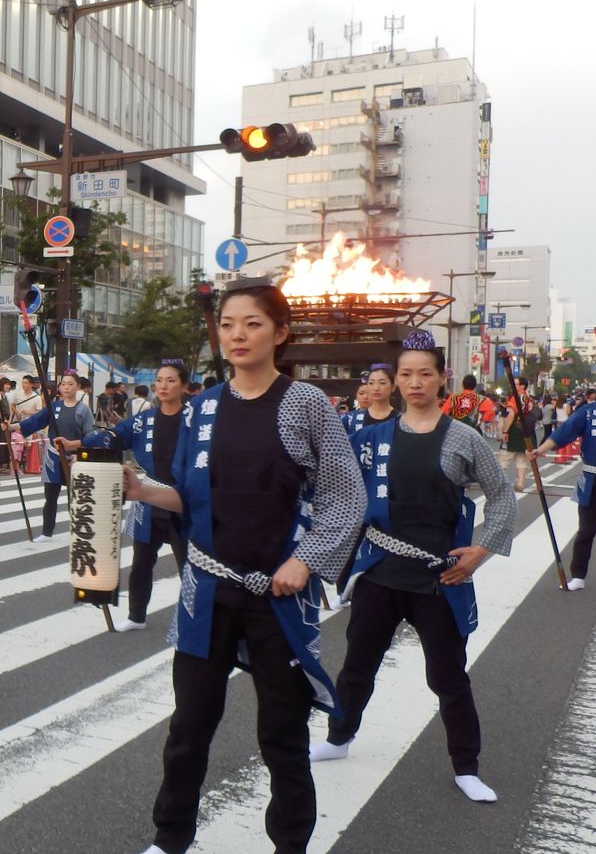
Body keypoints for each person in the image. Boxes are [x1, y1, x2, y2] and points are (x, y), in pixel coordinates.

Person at [124, 282, 364, 854]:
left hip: (278, 596)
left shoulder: (306, 405)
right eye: (229, 323)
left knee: (282, 732)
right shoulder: (203, 407)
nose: (237, 334)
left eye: (253, 323)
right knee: (189, 726)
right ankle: (171, 836)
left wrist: (305, 562)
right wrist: (141, 490)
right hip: (207, 590)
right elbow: (188, 496)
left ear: (280, 334)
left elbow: (345, 496)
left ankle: (290, 843)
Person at [310, 330, 516, 804]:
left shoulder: (463, 438)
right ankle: (339, 738)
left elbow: (502, 496)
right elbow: (332, 488)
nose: (416, 382)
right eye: (406, 373)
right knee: (357, 666)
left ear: (442, 378)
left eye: (426, 373)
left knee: (448, 678)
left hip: (439, 577)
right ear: (395, 380)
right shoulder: (369, 439)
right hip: (380, 572)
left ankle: (466, 766)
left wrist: (481, 550)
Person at [91, 359, 188, 632]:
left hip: (183, 501)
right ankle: (136, 616)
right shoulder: (145, 419)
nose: (163, 385)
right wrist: (77, 444)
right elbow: (115, 436)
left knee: (189, 568)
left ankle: (192, 621)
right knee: (141, 564)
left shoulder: (195, 419)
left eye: (170, 380)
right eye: (159, 380)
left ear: (184, 385)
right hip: (149, 499)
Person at [531, 364, 596, 590]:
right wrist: (541, 449)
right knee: (585, 532)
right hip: (594, 484)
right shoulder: (590, 411)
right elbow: (566, 431)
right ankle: (578, 576)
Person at [11, 372, 95, 544]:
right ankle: (46, 531)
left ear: (78, 387)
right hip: (53, 458)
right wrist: (10, 426)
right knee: (50, 497)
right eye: (63, 384)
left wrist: (78, 454)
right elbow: (34, 421)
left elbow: (91, 437)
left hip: (75, 458)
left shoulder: (83, 410)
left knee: (78, 498)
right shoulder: (54, 406)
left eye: (71, 384)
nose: (66, 387)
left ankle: (81, 531)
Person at [500, 376, 536, 493]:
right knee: (521, 459)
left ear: (522, 386)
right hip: (527, 430)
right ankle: (520, 483)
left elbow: (510, 415)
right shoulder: (529, 398)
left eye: (515, 384)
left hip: (514, 430)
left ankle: (499, 483)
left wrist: (505, 431)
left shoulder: (515, 398)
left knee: (504, 457)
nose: (513, 386)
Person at [343, 364, 399, 435]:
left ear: (393, 387)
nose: (376, 388)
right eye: (371, 383)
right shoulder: (349, 419)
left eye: (382, 383)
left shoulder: (401, 420)